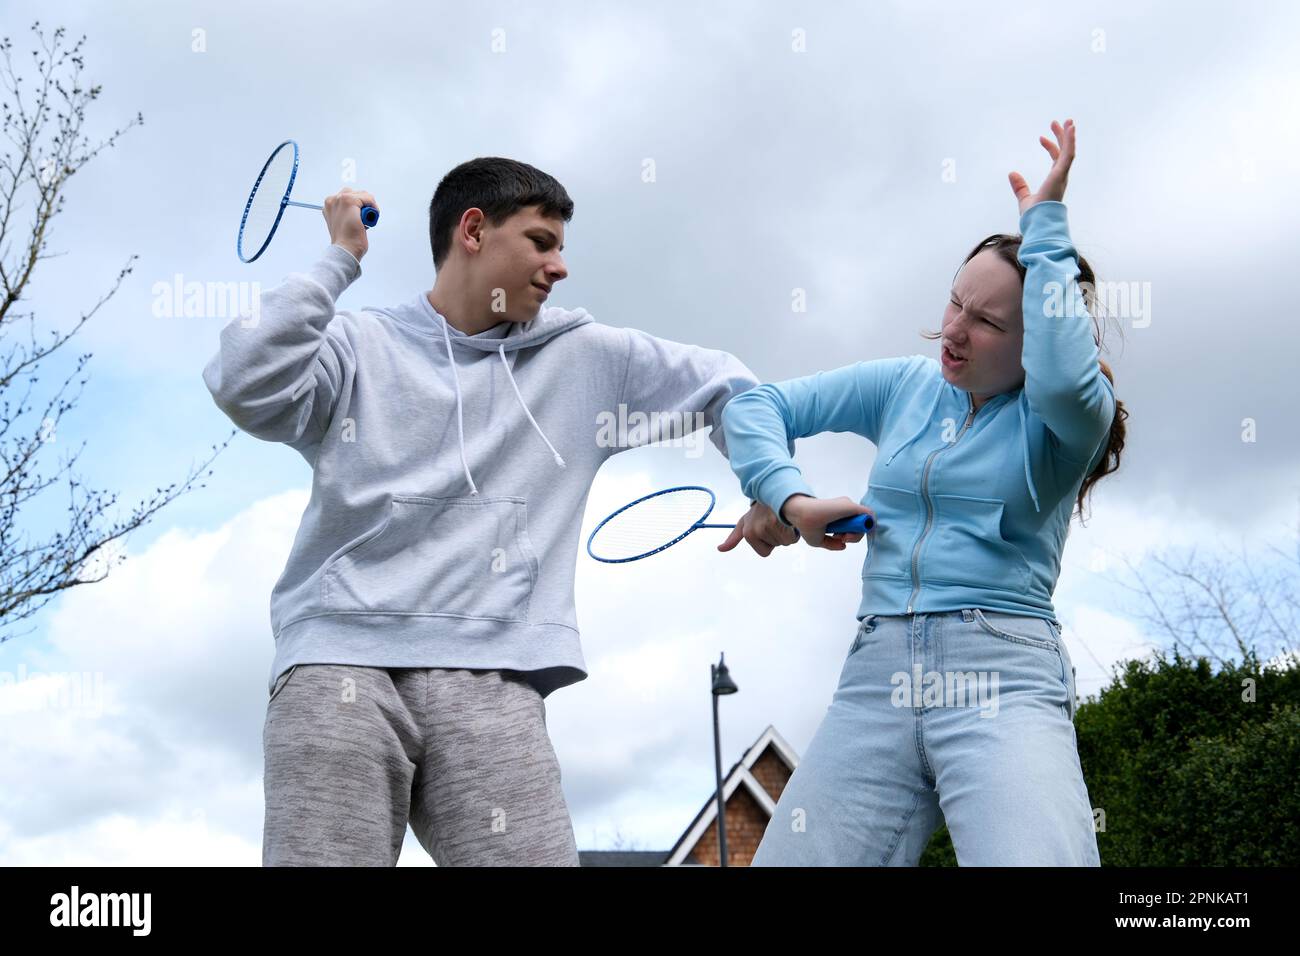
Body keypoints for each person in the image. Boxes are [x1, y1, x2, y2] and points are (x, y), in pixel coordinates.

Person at [203, 157, 780, 865]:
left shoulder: (587, 360)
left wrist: (773, 489)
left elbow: (734, 387)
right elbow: (242, 380)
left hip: (493, 675)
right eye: (542, 241)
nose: (560, 265)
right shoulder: (358, 345)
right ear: (473, 231)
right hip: (337, 666)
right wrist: (338, 259)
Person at [720, 119, 1128, 865]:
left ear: (1035, 337)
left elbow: (1069, 376)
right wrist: (790, 503)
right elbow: (755, 406)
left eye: (987, 321)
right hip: (877, 673)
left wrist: (1044, 227)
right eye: (954, 303)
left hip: (1002, 673)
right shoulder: (905, 387)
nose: (954, 331)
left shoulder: (1067, 421)